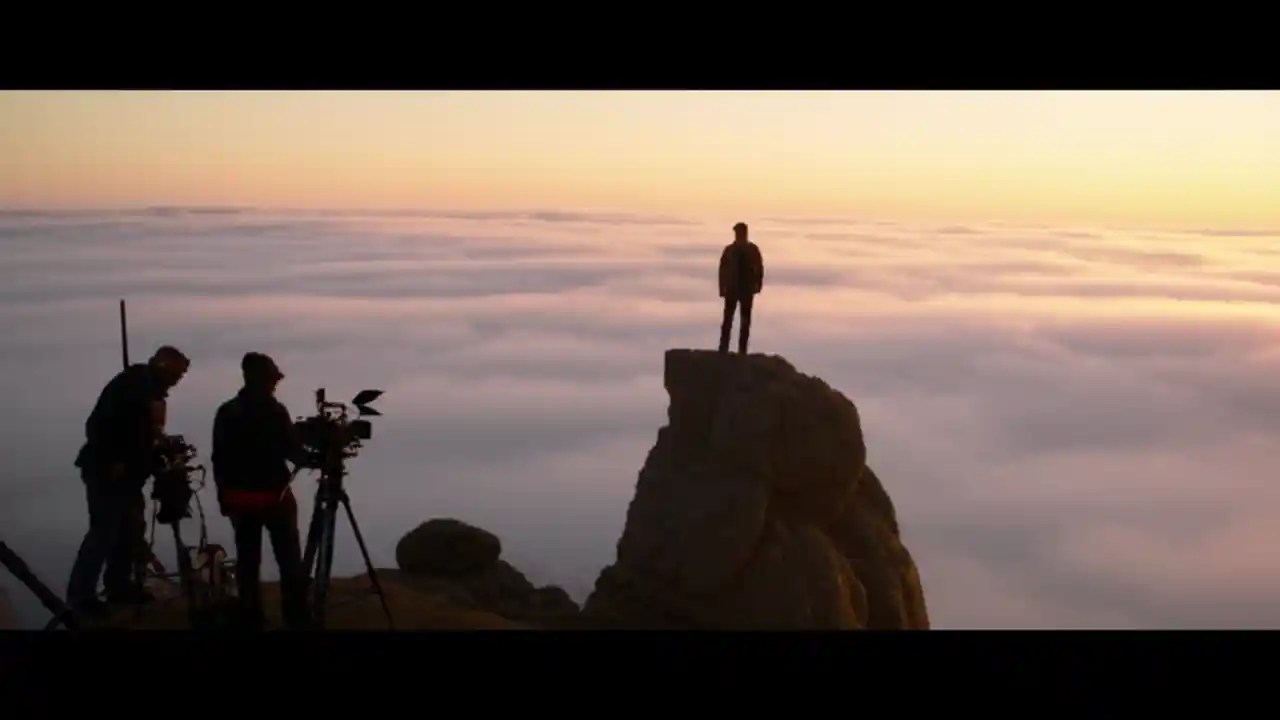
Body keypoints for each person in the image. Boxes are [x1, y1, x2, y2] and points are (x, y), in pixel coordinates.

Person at [66, 345, 189, 618]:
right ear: (164, 368)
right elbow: (98, 427)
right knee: (103, 532)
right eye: (177, 375)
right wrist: (114, 461)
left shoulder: (149, 391)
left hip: (130, 476)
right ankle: (80, 596)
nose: (177, 381)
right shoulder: (130, 387)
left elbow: (143, 435)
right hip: (106, 473)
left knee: (130, 531)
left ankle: (119, 585)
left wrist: (159, 449)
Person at [211, 352, 309, 630]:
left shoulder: (226, 412)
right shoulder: (275, 411)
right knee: (289, 559)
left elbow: (219, 458)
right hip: (274, 496)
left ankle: (251, 616)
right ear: (264, 380)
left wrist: (224, 494)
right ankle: (296, 617)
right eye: (272, 379)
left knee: (248, 561)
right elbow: (292, 451)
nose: (275, 385)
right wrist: (309, 455)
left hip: (241, 498)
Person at [718, 221, 764, 354]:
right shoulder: (730, 250)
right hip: (732, 289)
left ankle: (742, 349)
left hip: (746, 289)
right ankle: (724, 347)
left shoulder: (752, 250)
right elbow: (722, 270)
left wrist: (758, 284)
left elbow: (759, 268)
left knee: (745, 321)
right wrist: (722, 287)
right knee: (728, 319)